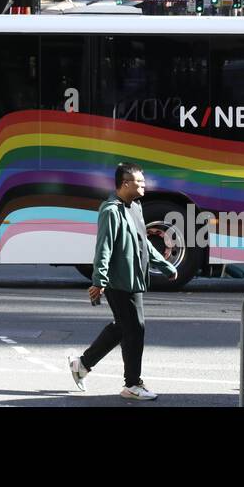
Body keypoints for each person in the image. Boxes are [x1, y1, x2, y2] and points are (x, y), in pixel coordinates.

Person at [68, 162, 178, 401]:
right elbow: (104, 248)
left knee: (123, 326)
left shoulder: (135, 208)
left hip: (134, 278)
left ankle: (83, 364)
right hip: (119, 281)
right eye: (140, 182)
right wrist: (99, 280)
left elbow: (144, 243)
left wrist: (165, 265)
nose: (144, 185)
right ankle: (132, 384)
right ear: (125, 184)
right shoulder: (111, 210)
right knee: (135, 329)